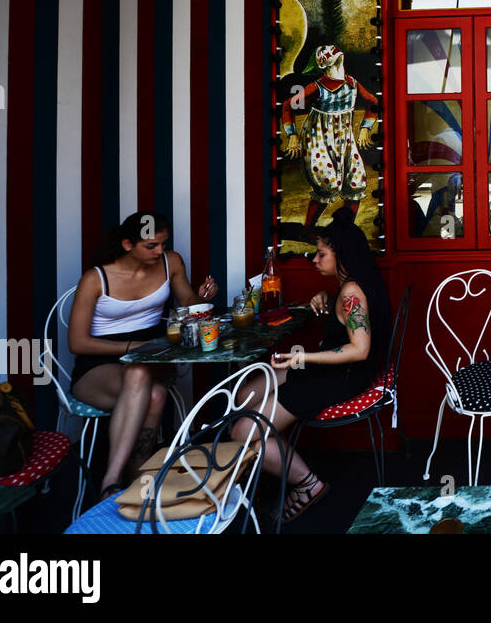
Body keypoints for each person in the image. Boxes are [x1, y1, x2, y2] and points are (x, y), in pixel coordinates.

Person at [231, 217, 390, 524]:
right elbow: (350, 320)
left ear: (341, 255)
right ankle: (253, 466)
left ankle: (306, 484)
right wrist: (328, 301)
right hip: (333, 372)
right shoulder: (353, 283)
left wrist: (304, 359)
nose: (315, 260)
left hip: (341, 378)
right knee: (248, 391)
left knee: (243, 430)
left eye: (321, 254)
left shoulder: (352, 291)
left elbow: (360, 349)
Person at [69, 211, 218, 499]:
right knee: (155, 394)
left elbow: (187, 301)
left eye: (163, 243)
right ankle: (128, 480)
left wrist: (201, 298)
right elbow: (77, 342)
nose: (160, 251)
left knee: (141, 372)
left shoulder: (170, 262)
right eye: (151, 246)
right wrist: (132, 348)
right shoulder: (96, 278)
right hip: (99, 365)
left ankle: (116, 483)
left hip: (153, 358)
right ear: (127, 245)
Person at [280, 44, 380, 228]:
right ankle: (308, 230)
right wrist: (292, 135)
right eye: (335, 61)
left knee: (356, 182)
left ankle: (345, 229)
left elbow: (373, 103)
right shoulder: (316, 87)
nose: (339, 63)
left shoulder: (353, 84)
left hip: (345, 140)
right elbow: (288, 106)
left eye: (339, 59)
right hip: (318, 139)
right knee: (328, 184)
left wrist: (365, 128)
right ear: (326, 64)